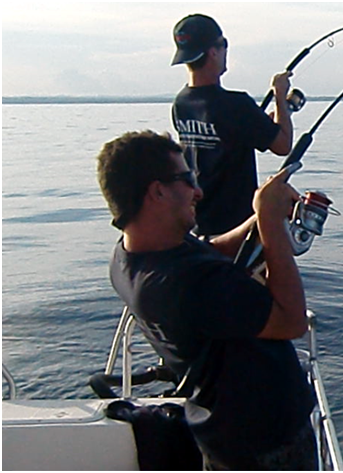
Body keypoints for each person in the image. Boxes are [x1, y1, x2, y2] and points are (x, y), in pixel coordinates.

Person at [96, 130, 317, 469]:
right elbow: (291, 320)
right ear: (157, 191)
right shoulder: (182, 282)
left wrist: (260, 217)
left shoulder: (132, 254)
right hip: (264, 444)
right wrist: (271, 221)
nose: (198, 191)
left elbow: (211, 249)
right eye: (187, 180)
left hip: (227, 434)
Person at [170, 13, 294, 237]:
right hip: (235, 231)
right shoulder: (237, 104)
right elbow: (283, 145)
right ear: (213, 51)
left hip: (197, 227)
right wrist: (280, 95)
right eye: (223, 44)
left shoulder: (182, 103)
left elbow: (225, 133)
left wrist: (262, 120)